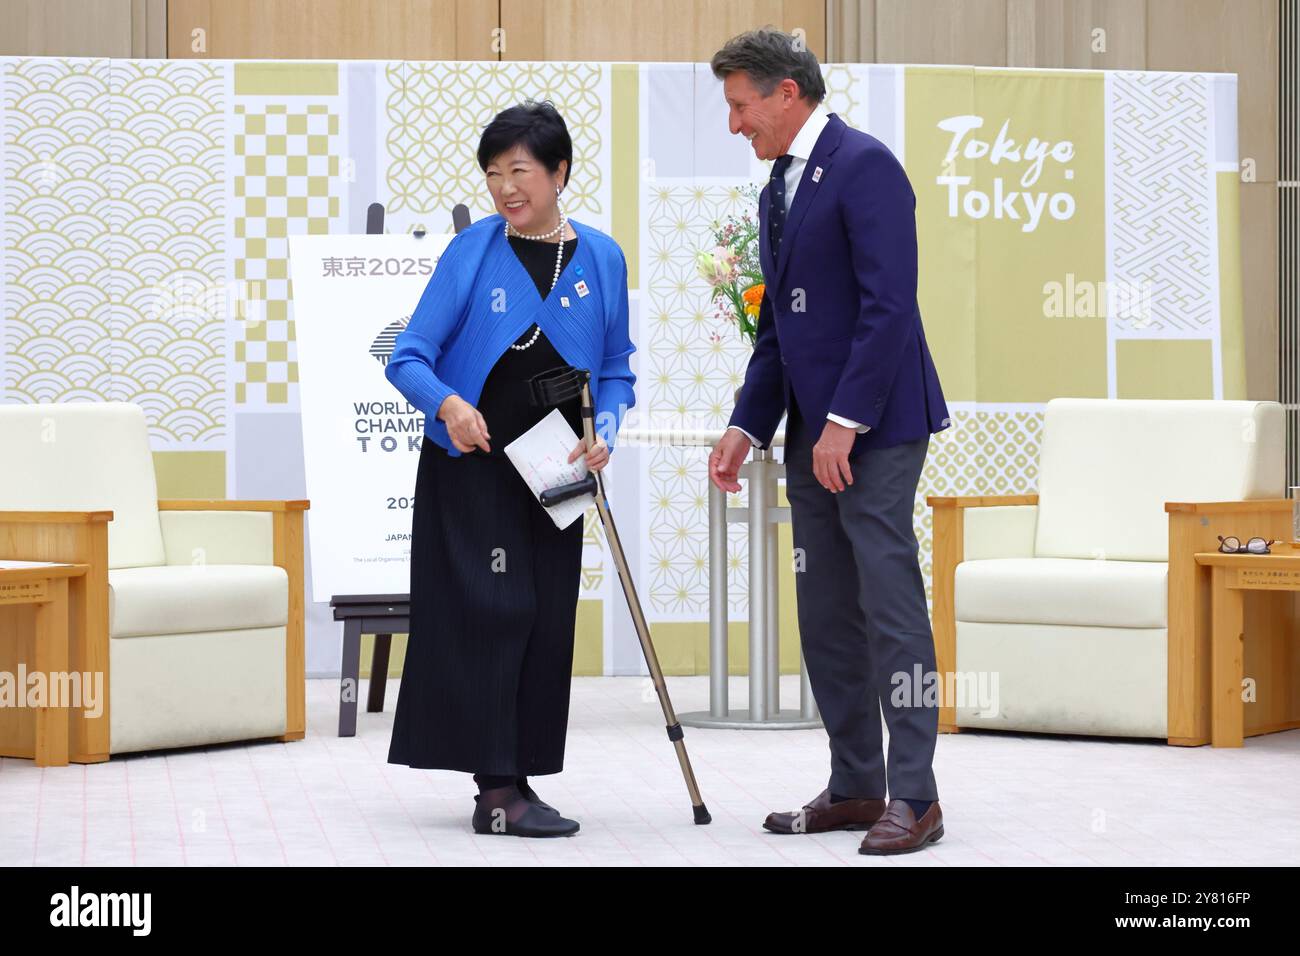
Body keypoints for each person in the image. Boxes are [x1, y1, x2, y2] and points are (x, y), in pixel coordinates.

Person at [708, 29, 952, 855]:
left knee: (889, 605)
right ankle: (855, 783)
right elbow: (780, 330)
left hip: (876, 427)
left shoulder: (866, 165)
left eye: (742, 106)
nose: (736, 124)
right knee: (824, 610)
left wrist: (844, 422)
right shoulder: (779, 187)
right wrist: (747, 425)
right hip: (813, 433)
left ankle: (916, 796)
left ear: (787, 92)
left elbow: (890, 307)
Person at [384, 100, 636, 838]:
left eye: (519, 171)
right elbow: (408, 357)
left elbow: (617, 369)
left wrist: (606, 433)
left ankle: (519, 775)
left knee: (544, 618)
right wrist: (451, 406)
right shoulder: (473, 252)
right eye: (493, 174)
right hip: (478, 461)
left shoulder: (601, 256)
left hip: (557, 464)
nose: (505, 188)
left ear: (559, 172)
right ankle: (495, 789)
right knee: (494, 612)